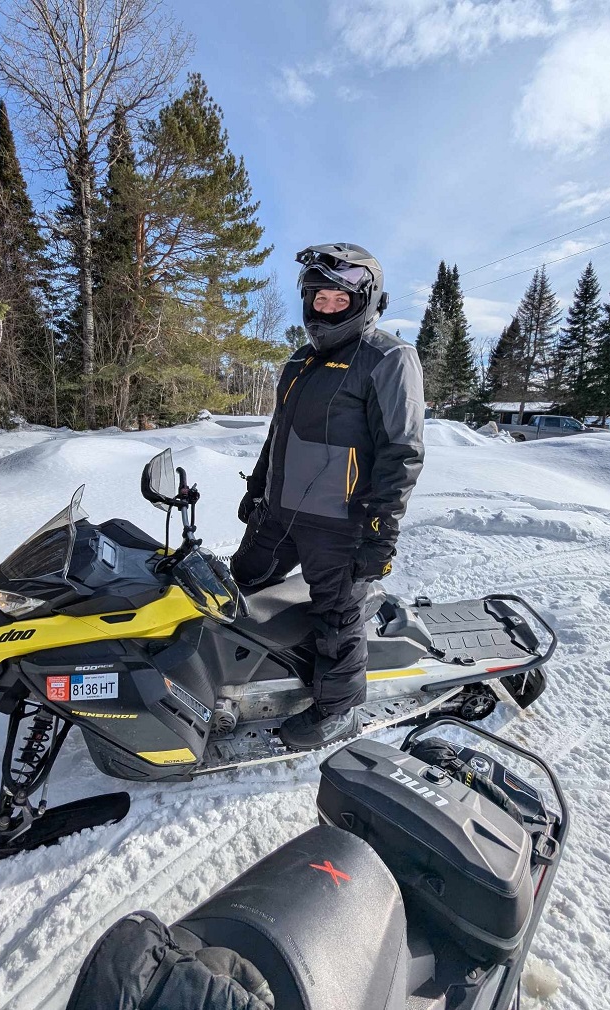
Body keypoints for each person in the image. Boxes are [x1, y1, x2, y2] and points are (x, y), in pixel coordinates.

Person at [230, 243, 425, 751]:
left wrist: (381, 532)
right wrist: (258, 487)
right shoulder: (300, 360)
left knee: (336, 617)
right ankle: (237, 675)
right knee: (235, 590)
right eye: (320, 299)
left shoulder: (388, 357)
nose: (328, 308)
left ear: (365, 301)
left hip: (340, 523)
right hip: (280, 514)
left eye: (340, 300)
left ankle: (339, 709)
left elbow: (401, 451)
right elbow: (278, 434)